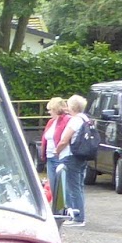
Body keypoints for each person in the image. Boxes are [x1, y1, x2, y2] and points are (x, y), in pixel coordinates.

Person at [55, 93, 90, 226]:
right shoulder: (85, 118)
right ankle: (80, 215)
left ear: (73, 107)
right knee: (79, 187)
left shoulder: (75, 120)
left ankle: (78, 218)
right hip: (81, 156)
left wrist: (57, 150)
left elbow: (65, 140)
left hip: (70, 156)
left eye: (69, 105)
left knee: (73, 188)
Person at [39, 97, 69, 174]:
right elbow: (44, 139)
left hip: (59, 156)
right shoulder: (51, 122)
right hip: (49, 157)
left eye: (50, 110)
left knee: (60, 180)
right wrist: (43, 155)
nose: (49, 112)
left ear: (56, 109)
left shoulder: (66, 120)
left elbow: (65, 139)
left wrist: (57, 151)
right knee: (52, 181)